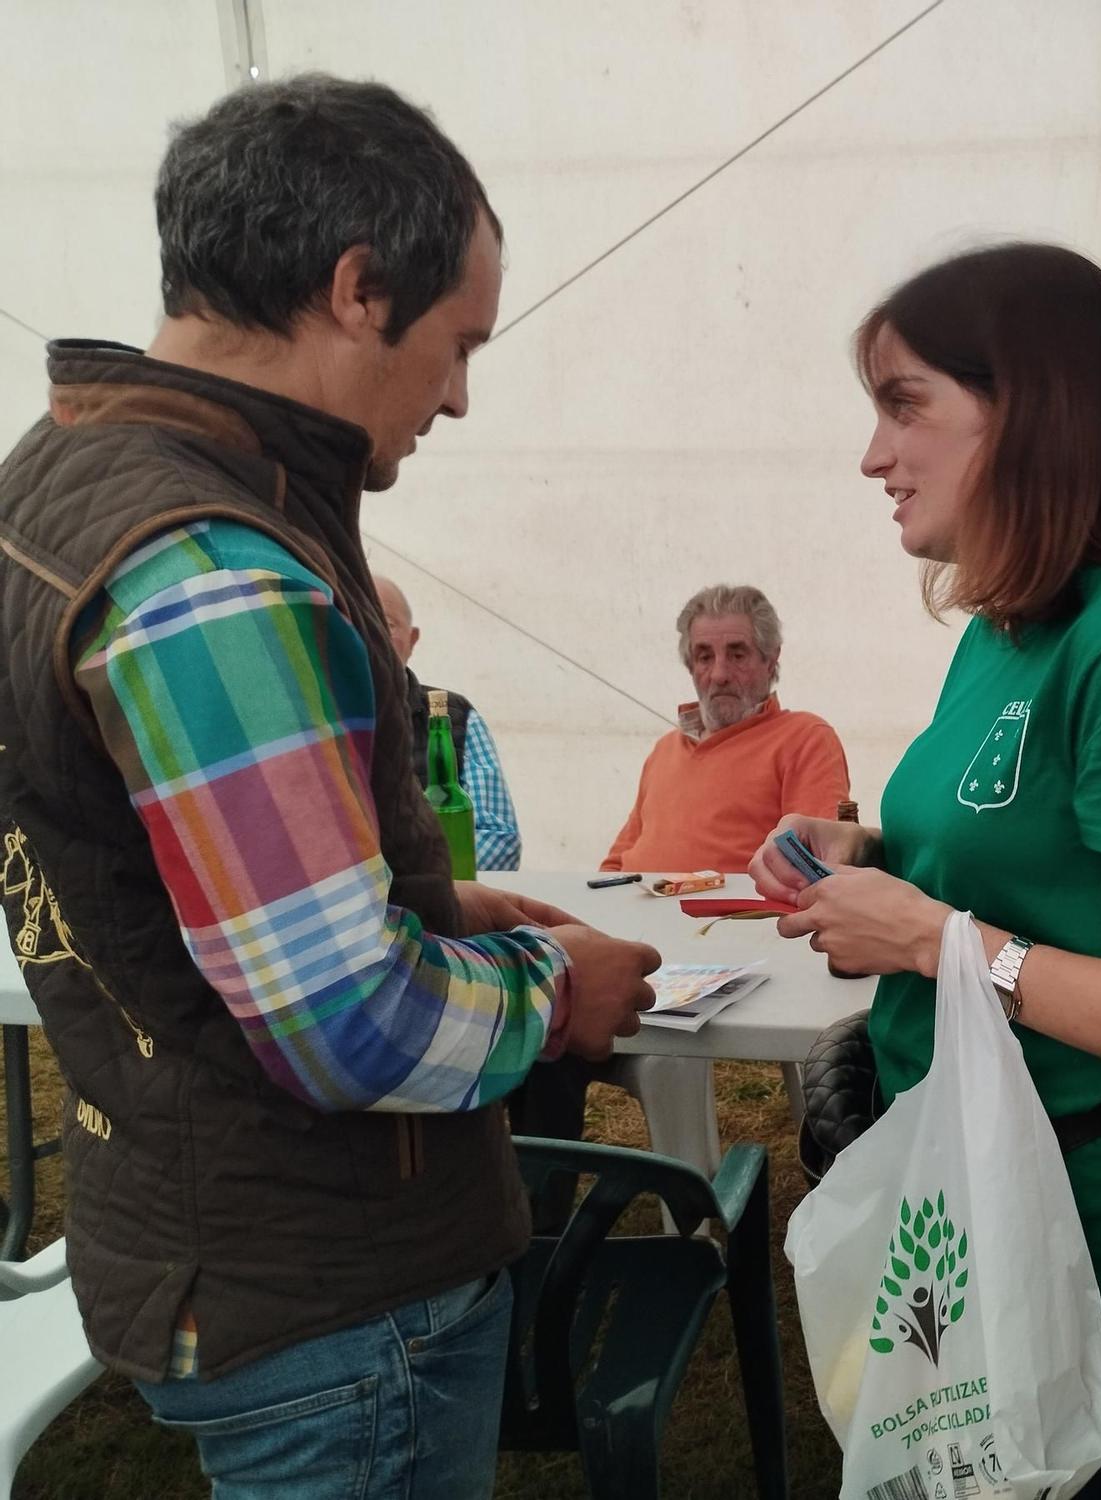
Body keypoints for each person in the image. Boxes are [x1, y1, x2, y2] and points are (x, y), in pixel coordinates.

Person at [0, 75, 660, 1499]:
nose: (460, 397)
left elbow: (137, 864)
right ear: (360, 289)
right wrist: (559, 994)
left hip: (203, 1230)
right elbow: (350, 1022)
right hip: (329, 1291)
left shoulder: (57, 478)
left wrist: (422, 894)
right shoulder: (210, 567)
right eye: (456, 343)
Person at [750, 242, 1101, 1497]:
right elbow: (1031, 860)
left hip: (1079, 1234)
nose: (873, 456)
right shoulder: (1009, 626)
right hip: (969, 1189)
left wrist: (930, 936)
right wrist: (874, 857)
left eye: (904, 405)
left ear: (1026, 409)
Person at [601, 582, 849, 873]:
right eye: (705, 657)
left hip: (726, 917)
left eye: (737, 655)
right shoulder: (666, 748)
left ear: (770, 660)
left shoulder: (805, 738)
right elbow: (618, 859)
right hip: (629, 907)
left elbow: (814, 867)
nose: (720, 674)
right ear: (690, 666)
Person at [375, 571, 523, 869]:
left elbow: (498, 839)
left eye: (387, 623)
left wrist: (414, 880)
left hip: (437, 904)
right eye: (357, 620)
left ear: (412, 639)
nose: (372, 633)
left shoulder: (453, 716)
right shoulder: (311, 718)